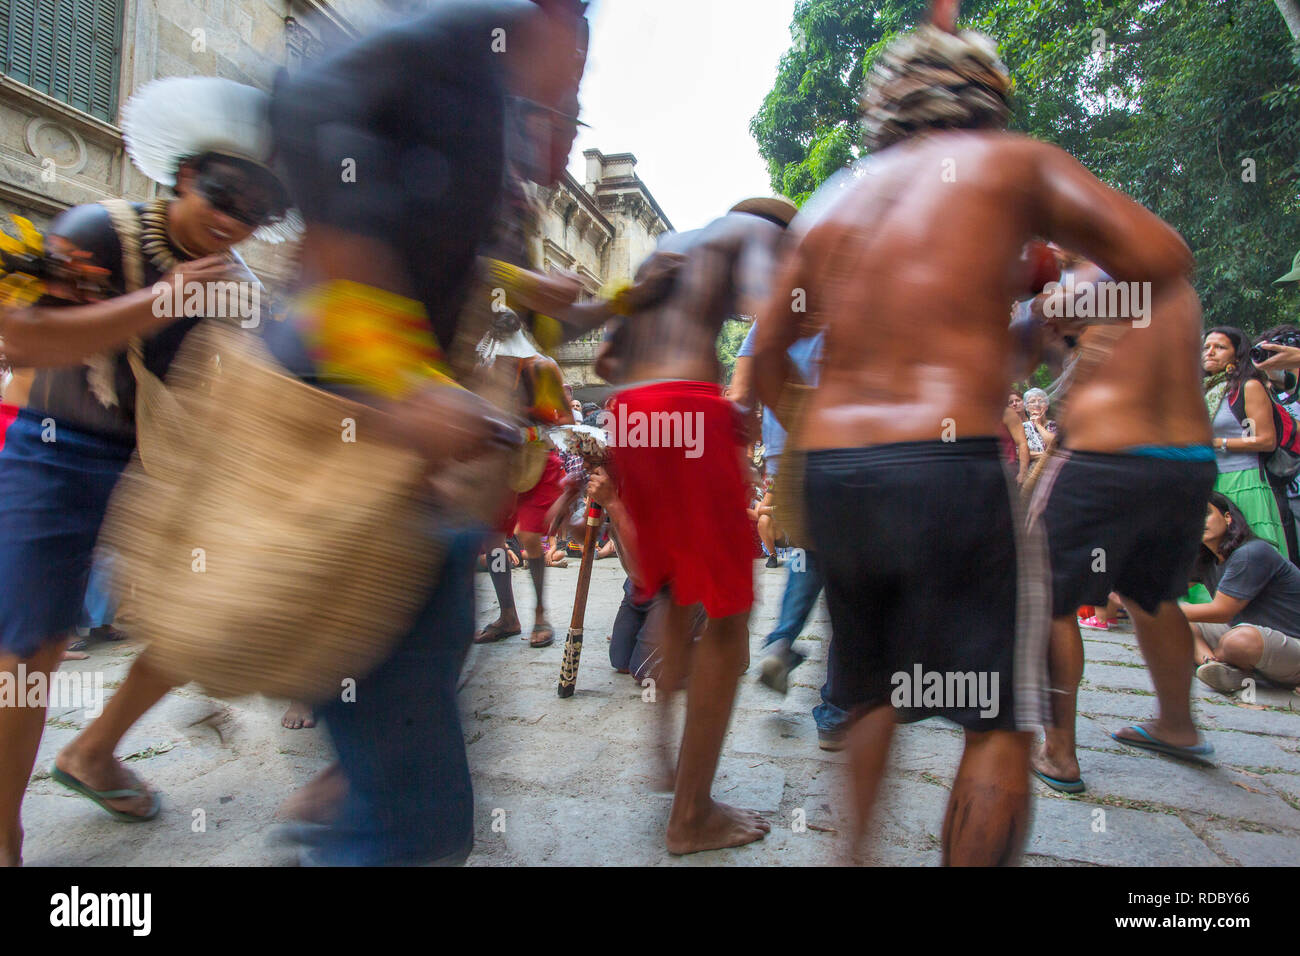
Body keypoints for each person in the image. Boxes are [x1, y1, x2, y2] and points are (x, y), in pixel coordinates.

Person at [752, 11, 1195, 865]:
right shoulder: (1013, 163)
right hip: (949, 466)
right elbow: (1160, 255)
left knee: (867, 690)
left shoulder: (830, 204)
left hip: (841, 471)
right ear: (989, 103)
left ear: (886, 113)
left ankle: (852, 859)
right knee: (997, 721)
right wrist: (1040, 276)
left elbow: (768, 358)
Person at [255, 0, 592, 864]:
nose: (572, 106)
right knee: (417, 813)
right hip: (340, 398)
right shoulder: (470, 36)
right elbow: (301, 104)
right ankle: (365, 814)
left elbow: (419, 218)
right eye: (579, 82)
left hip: (389, 434)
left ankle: (352, 797)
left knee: (431, 642)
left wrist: (523, 286)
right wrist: (399, 374)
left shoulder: (481, 97)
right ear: (556, 19)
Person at [0, 77, 288, 865]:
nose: (237, 222)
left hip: (169, 472)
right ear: (186, 176)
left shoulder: (242, 288)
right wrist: (154, 304)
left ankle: (93, 751)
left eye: (259, 210)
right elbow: (20, 342)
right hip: (56, 453)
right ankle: (4, 834)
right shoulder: (96, 228)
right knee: (31, 654)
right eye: (227, 196)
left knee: (203, 619)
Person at [599, 194, 795, 854]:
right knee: (731, 614)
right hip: (686, 410)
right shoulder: (756, 230)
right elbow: (774, 315)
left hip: (629, 413)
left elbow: (604, 361)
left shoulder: (666, 251)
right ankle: (691, 814)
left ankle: (665, 761)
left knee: (679, 594)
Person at [1027, 258, 1216, 794]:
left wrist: (1037, 299)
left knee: (1050, 597)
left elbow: (1054, 315)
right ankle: (1177, 725)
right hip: (1185, 461)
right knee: (1150, 594)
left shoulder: (1099, 269)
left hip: (1106, 458)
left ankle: (1059, 753)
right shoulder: (1176, 285)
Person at [1183, 493, 1300, 694]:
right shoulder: (1207, 559)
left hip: (1291, 642)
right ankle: (1214, 666)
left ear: (1227, 517)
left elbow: (1222, 611)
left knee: (1238, 641)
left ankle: (1230, 666)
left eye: (1206, 514)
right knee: (1176, 623)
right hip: (1259, 643)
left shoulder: (1251, 553)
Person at [1199, 326, 1289, 561]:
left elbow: (1265, 441)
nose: (1210, 352)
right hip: (1212, 483)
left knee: (1251, 553)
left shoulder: (1247, 387)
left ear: (1237, 355)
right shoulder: (1204, 391)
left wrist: (1217, 442)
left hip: (1245, 480)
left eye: (1220, 347)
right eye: (1206, 347)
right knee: (1217, 555)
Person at [1021, 387, 1056, 459]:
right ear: (1026, 407)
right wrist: (1044, 455)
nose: (1037, 404)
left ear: (1046, 406)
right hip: (1033, 469)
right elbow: (1018, 452)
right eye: (1032, 401)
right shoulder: (1022, 427)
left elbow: (1054, 444)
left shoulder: (1055, 425)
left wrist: (1038, 424)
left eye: (1041, 401)